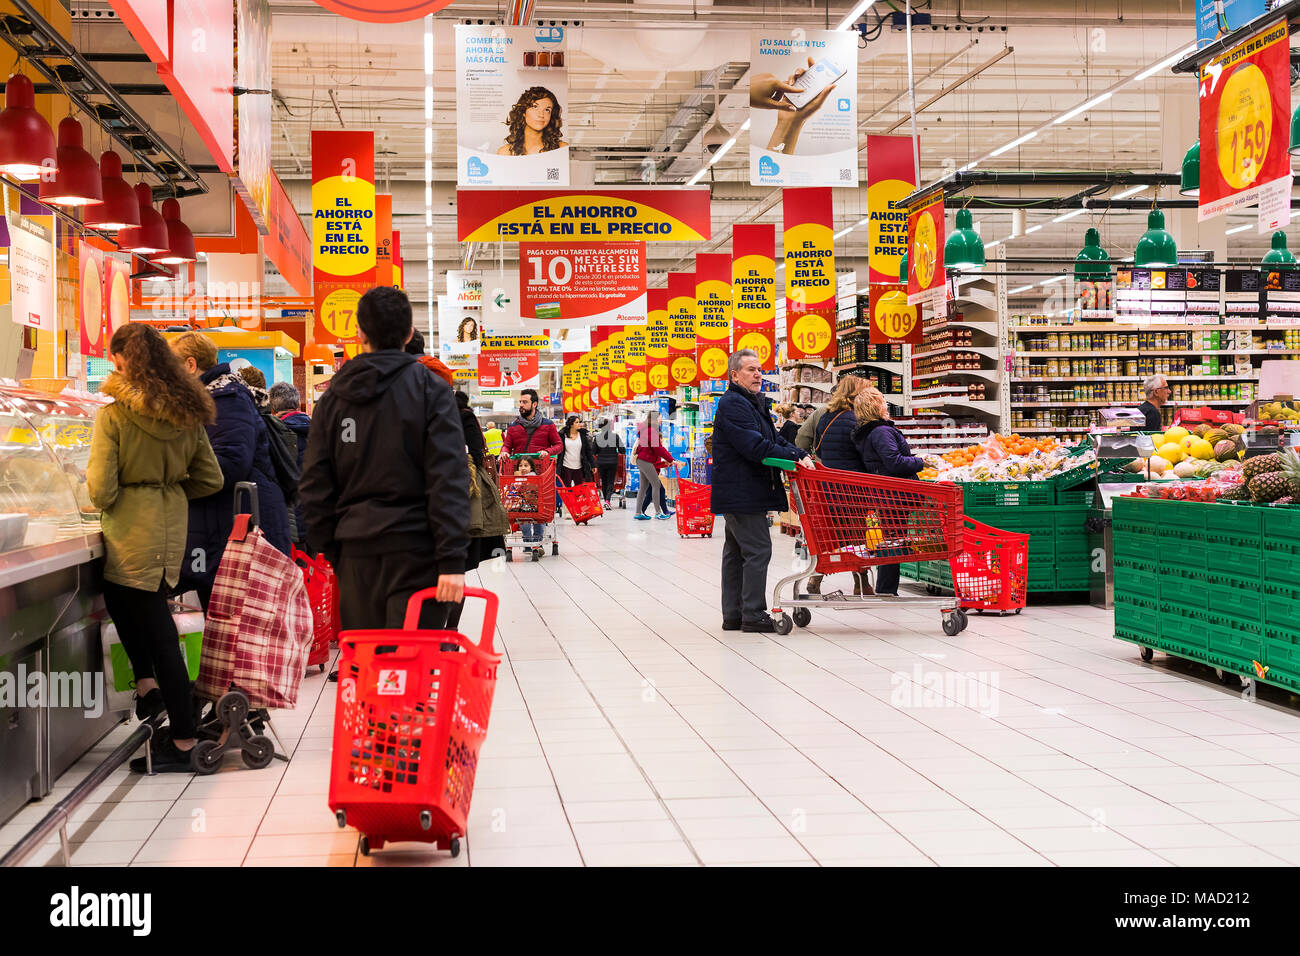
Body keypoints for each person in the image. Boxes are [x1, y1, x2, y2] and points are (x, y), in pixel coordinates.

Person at [87, 324, 224, 773]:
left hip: (131, 528)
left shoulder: (114, 416)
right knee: (132, 606)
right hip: (170, 526)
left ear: (127, 362)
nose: (113, 366)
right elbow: (211, 479)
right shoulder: (187, 413)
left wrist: (133, 491)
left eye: (117, 358)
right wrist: (168, 486)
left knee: (158, 628)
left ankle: (184, 738)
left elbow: (100, 491)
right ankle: (150, 691)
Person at [299, 286, 469, 638]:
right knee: (415, 671)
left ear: (360, 333)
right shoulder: (431, 391)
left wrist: (335, 548)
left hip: (357, 553)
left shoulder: (333, 398)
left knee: (368, 670)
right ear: (408, 334)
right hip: (419, 552)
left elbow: (315, 482)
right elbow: (448, 478)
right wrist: (452, 559)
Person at [170, 331, 292, 610]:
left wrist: (174, 478)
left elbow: (232, 462)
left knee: (239, 623)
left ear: (190, 365)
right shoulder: (214, 396)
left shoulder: (225, 397)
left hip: (238, 525)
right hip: (225, 523)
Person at [711, 349, 813, 632]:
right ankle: (753, 614)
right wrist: (793, 457)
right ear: (734, 375)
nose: (758, 374)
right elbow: (754, 446)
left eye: (759, 369)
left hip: (741, 490)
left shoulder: (751, 403)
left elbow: (772, 439)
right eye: (750, 370)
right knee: (758, 550)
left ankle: (734, 614)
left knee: (736, 552)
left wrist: (797, 451)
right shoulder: (734, 404)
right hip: (742, 490)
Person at [851, 386, 926, 598]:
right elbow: (893, 462)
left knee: (893, 539)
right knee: (894, 540)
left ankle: (887, 588)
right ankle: (886, 589)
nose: (886, 403)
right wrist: (920, 461)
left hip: (887, 494)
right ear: (874, 405)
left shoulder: (871, 431)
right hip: (894, 494)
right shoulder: (881, 431)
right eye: (883, 400)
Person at [805, 376, 875, 596]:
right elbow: (863, 453)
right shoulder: (855, 419)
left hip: (828, 488)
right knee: (856, 538)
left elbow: (821, 449)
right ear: (855, 394)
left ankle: (815, 577)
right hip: (851, 489)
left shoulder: (826, 417)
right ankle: (861, 583)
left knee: (830, 538)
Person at [455, 390, 505, 627]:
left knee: (454, 568)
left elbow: (475, 454)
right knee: (455, 569)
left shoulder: (461, 417)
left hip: (463, 490)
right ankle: (448, 633)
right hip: (459, 495)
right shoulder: (455, 415)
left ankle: (448, 631)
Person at [269, 381, 311, 553]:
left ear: (273, 409)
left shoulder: (274, 435)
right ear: (297, 403)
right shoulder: (318, 430)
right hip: (316, 519)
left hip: (289, 521)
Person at [497, 86, 567, 155]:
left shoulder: (562, 149)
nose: (541, 115)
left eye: (547, 110)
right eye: (535, 107)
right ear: (523, 112)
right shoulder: (506, 152)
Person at [634, 411, 674, 520]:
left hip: (641, 459)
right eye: (660, 418)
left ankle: (638, 513)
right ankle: (658, 513)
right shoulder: (652, 431)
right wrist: (670, 459)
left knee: (643, 487)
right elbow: (658, 448)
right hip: (645, 460)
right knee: (656, 484)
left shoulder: (646, 429)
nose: (661, 420)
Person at [502, 388, 562, 459]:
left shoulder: (548, 425)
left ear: (534, 404)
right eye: (520, 402)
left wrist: (547, 451)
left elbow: (559, 445)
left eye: (524, 402)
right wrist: (504, 452)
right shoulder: (513, 426)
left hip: (542, 467)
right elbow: (507, 446)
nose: (521, 405)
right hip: (520, 467)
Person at [592, 417, 624, 506]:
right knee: (610, 481)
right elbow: (622, 450)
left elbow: (593, 451)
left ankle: (607, 500)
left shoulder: (597, 437)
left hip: (601, 462)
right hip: (612, 462)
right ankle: (607, 500)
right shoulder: (615, 436)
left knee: (604, 481)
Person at [513, 456, 544, 544]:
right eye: (520, 465)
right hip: (522, 508)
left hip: (535, 506)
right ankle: (528, 544)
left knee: (539, 522)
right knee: (524, 526)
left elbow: (528, 488)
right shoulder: (515, 477)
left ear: (531, 468)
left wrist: (519, 479)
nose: (523, 468)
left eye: (526, 466)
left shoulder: (533, 476)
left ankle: (537, 542)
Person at [558, 414, 596, 488]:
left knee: (579, 489)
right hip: (566, 466)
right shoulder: (562, 435)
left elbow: (588, 451)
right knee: (567, 489)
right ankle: (568, 500)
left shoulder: (582, 435)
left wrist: (593, 465)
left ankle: (576, 500)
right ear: (571, 424)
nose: (579, 424)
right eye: (577, 422)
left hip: (579, 467)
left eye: (579, 422)